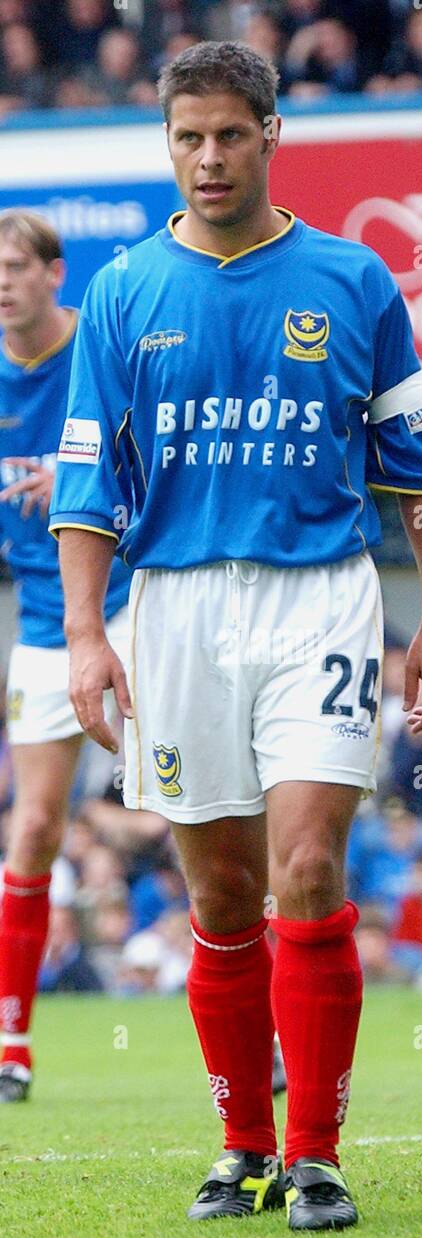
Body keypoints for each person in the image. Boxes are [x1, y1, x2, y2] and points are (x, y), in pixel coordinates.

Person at [50, 40, 422, 1232]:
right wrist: (87, 634)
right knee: (221, 892)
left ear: (272, 134)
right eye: (188, 138)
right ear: (167, 145)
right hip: (173, 604)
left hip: (317, 597)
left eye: (231, 134)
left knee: (304, 869)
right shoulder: (125, 292)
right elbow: (86, 484)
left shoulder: (351, 280)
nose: (209, 158)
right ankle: (240, 1147)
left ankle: (316, 1153)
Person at [0, 209, 131, 1103]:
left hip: (139, 607)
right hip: (44, 626)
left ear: (54, 272)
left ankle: (264, 1037)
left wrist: (78, 478)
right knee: (35, 825)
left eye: (15, 266)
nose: (2, 282)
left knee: (213, 817)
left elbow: (164, 448)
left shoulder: (102, 345)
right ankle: (12, 1042)